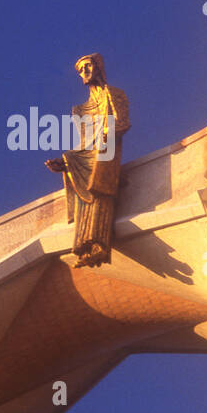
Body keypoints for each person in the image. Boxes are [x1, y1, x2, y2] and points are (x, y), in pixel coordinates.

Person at [45, 53, 130, 268]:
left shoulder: (115, 95)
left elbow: (122, 123)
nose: (85, 72)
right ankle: (84, 245)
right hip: (88, 156)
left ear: (98, 67)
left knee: (99, 186)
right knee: (81, 182)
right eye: (81, 70)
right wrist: (64, 163)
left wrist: (107, 135)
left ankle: (99, 244)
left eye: (88, 66)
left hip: (106, 151)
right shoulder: (80, 110)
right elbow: (83, 145)